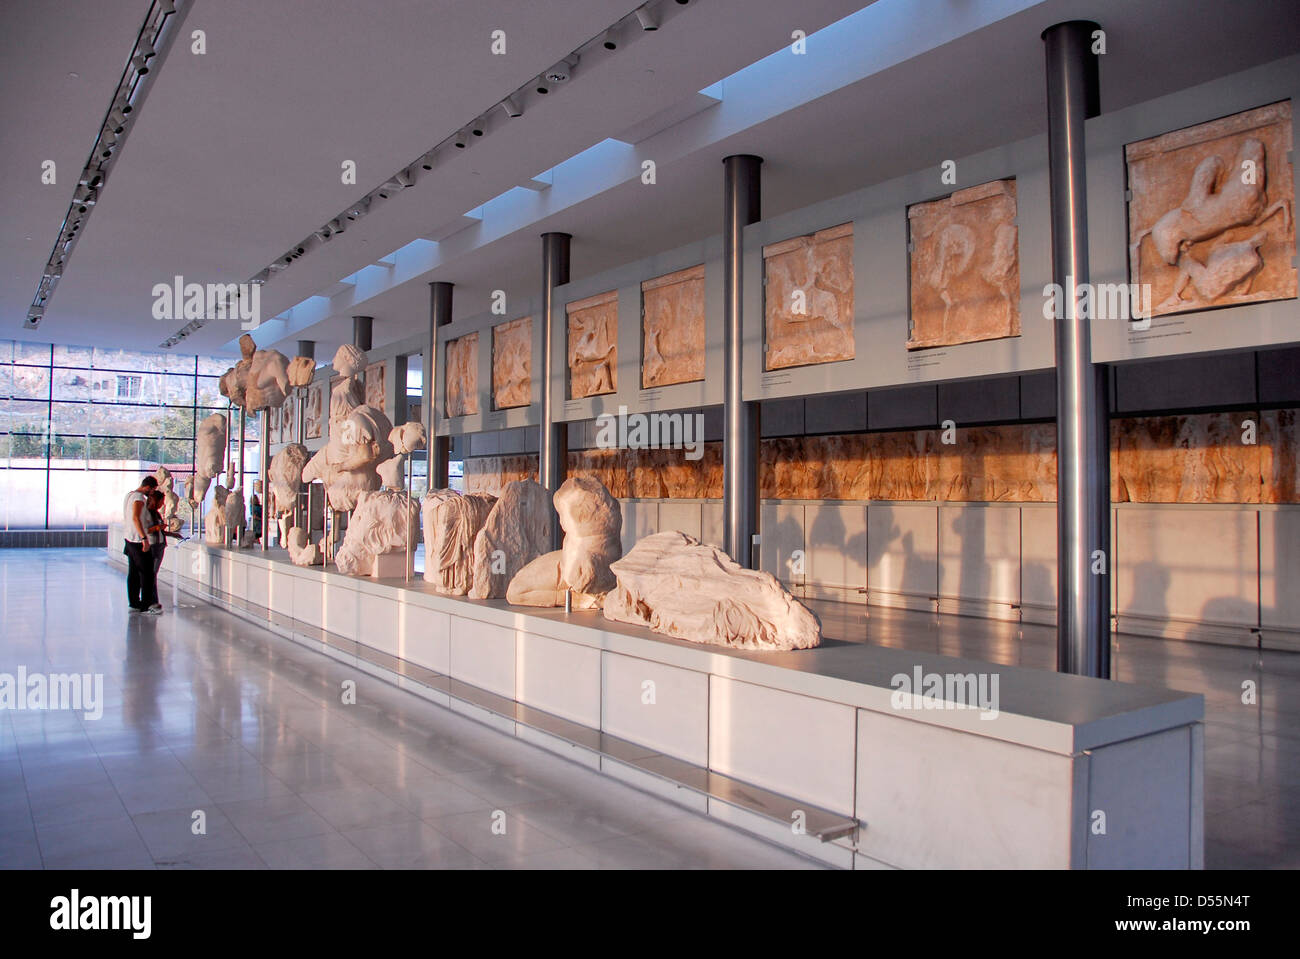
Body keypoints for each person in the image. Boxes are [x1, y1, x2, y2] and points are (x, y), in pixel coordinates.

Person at [123, 475, 159, 614]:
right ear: (148, 487)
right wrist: (144, 538)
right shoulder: (138, 498)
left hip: (129, 539)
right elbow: (135, 518)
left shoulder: (129, 495)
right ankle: (147, 604)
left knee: (134, 572)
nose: (151, 494)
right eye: (152, 491)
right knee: (147, 573)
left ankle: (134, 602)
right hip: (137, 540)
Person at [145, 489, 183, 608]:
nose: (163, 504)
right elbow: (144, 530)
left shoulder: (156, 513)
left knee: (153, 574)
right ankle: (151, 601)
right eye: (161, 501)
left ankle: (153, 600)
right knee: (151, 574)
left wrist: (172, 534)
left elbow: (161, 531)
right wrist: (157, 528)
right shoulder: (146, 513)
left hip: (160, 545)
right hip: (152, 546)